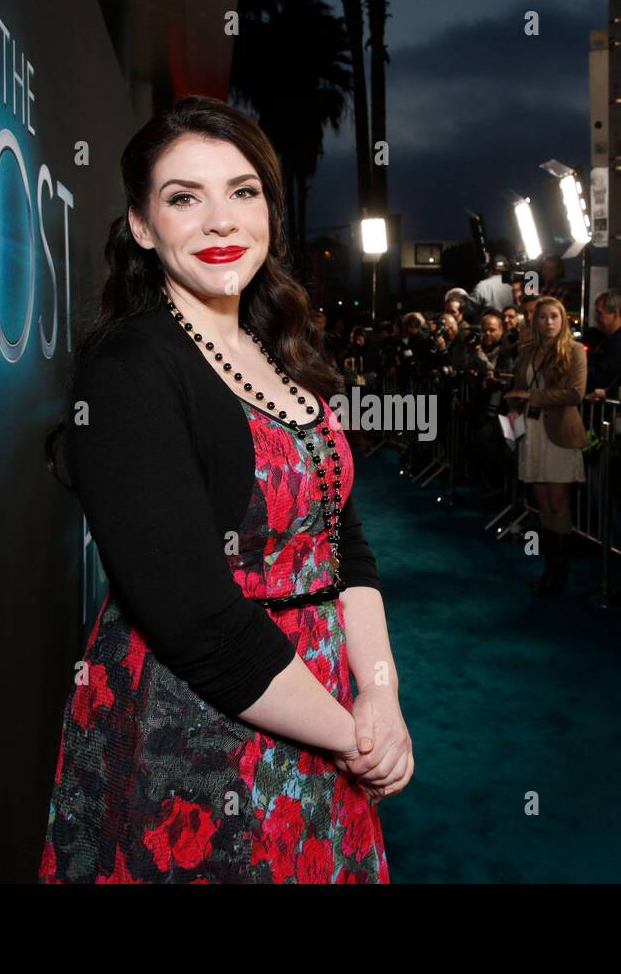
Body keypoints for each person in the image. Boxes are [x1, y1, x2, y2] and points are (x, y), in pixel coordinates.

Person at [39, 96, 411, 884]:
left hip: (323, 709)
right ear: (142, 225)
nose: (220, 221)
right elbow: (194, 619)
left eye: (242, 192)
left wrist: (380, 695)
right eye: (184, 197)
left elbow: (346, 544)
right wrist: (352, 737)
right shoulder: (131, 366)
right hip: (200, 737)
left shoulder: (277, 352)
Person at [505, 296, 588, 596]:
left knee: (558, 503)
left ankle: (559, 574)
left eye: (554, 316)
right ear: (535, 321)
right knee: (542, 505)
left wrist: (534, 398)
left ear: (563, 319)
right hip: (532, 431)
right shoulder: (527, 353)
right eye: (543, 317)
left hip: (560, 433)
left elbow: (576, 394)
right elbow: (518, 390)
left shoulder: (575, 351)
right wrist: (515, 405)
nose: (549, 322)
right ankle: (549, 570)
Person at [584, 290, 621, 400]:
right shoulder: (613, 338)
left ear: (616, 313)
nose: (596, 318)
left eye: (600, 313)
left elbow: (605, 376)